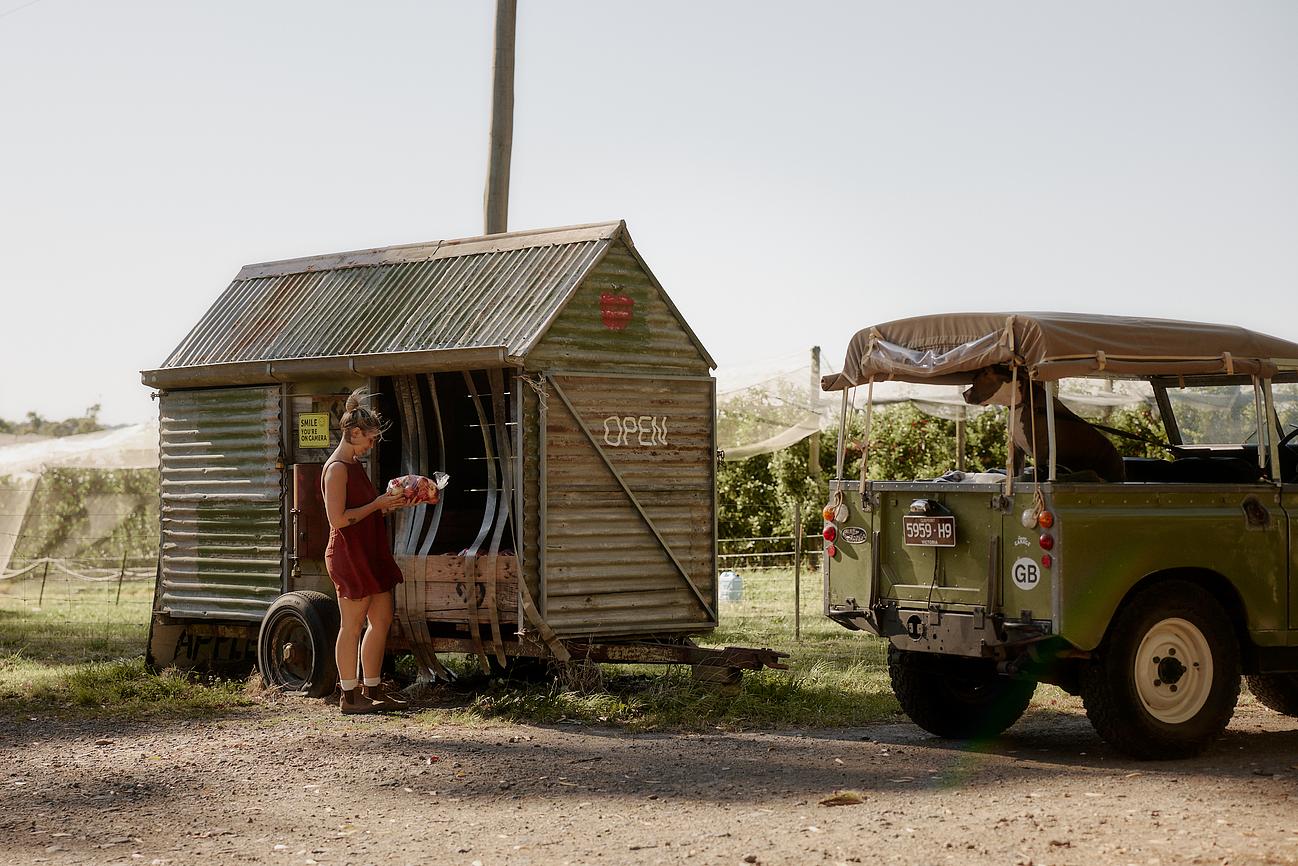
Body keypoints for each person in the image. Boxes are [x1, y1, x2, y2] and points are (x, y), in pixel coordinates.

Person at [322, 388, 411, 714]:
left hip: (370, 550)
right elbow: (338, 519)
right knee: (352, 624)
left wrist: (387, 505)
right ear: (354, 433)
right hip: (349, 554)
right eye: (370, 439)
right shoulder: (337, 470)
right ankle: (349, 695)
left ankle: (372, 688)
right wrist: (376, 504)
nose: (372, 445)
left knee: (382, 618)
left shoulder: (355, 464)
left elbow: (365, 509)